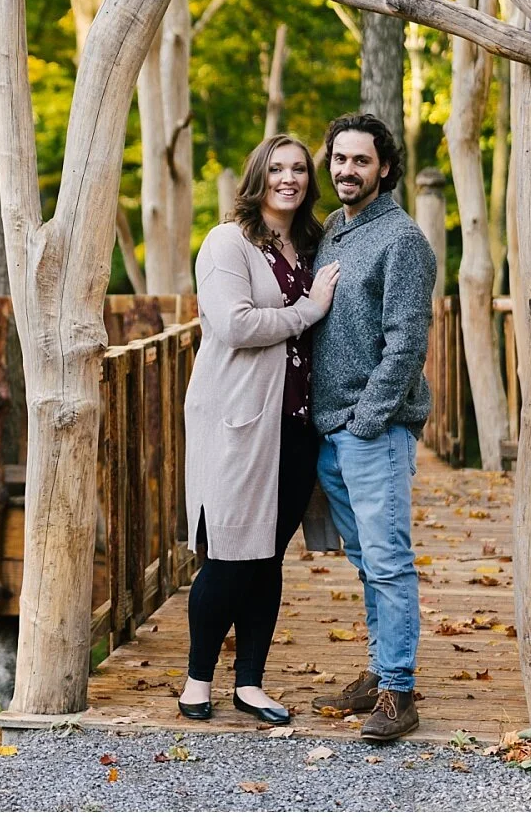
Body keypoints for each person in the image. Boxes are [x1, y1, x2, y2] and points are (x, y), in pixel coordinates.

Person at [177, 133, 340, 723]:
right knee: (228, 553)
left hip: (295, 424)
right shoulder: (229, 242)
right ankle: (197, 679)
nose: (289, 179)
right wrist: (309, 310)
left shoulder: (313, 245)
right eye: (277, 168)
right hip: (237, 419)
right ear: (258, 176)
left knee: (267, 556)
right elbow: (234, 323)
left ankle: (250, 682)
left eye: (299, 169)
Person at [307, 112, 436, 742]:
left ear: (384, 167)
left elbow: (407, 341)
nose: (346, 171)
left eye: (360, 161)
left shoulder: (403, 240)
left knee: (387, 560)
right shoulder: (334, 228)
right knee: (364, 561)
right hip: (331, 429)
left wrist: (366, 420)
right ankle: (381, 669)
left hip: (371, 430)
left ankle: (400, 691)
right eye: (338, 159)